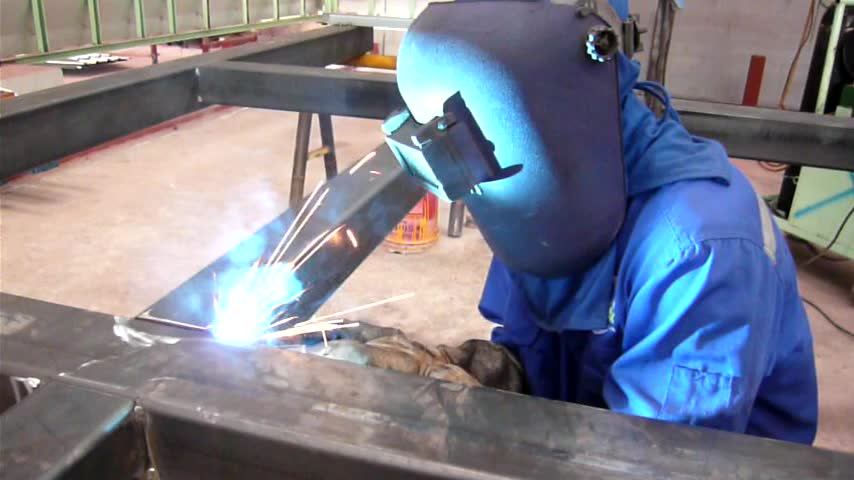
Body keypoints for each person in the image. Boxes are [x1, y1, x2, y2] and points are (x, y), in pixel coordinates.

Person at [324, 0, 818, 446]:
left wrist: (479, 428)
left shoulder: (701, 252)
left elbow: (661, 458)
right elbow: (537, 358)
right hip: (594, 429)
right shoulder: (535, 203)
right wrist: (449, 373)